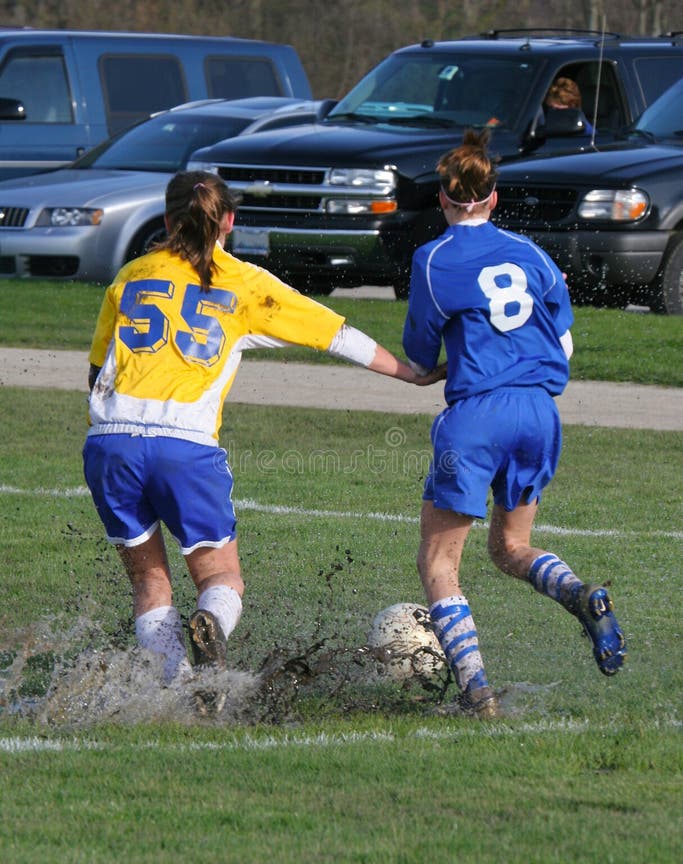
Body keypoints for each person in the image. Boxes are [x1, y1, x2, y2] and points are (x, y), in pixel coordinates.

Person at [83, 170, 444, 685]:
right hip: (182, 444)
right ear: (229, 220)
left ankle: (175, 689)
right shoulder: (245, 283)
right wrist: (412, 374)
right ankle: (209, 623)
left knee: (148, 581)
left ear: (166, 219)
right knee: (220, 577)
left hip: (109, 443)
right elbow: (334, 334)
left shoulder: (130, 276)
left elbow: (98, 373)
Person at [402, 130, 626, 717]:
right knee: (510, 546)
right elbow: (564, 342)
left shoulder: (432, 260)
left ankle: (478, 693)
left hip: (479, 416)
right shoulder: (531, 253)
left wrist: (454, 364)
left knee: (438, 563)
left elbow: (423, 359)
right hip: (539, 412)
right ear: (493, 198)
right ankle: (581, 595)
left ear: (445, 200)